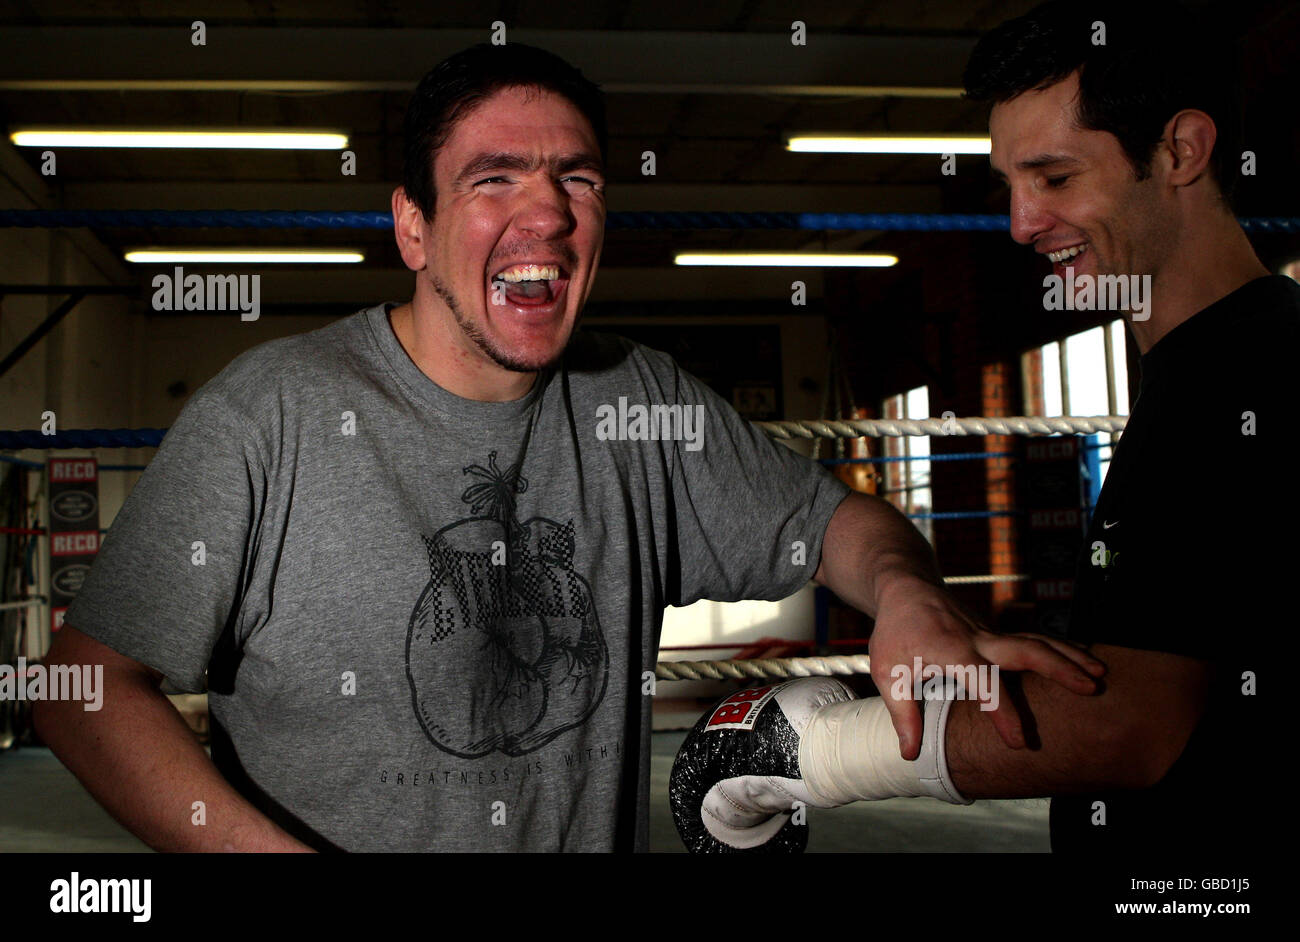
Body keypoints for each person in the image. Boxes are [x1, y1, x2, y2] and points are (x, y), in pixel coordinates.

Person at [33, 42, 1100, 853]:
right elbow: (83, 685)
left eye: (576, 180)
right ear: (412, 226)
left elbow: (838, 523)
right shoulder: (268, 416)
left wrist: (908, 594)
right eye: (493, 178)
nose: (544, 213)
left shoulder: (637, 400)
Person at [671, 0, 1293, 855]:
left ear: (1180, 151)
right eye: (1010, 184)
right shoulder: (1205, 366)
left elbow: (1137, 728)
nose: (1020, 223)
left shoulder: (1241, 377)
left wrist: (809, 753)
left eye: (1057, 177)